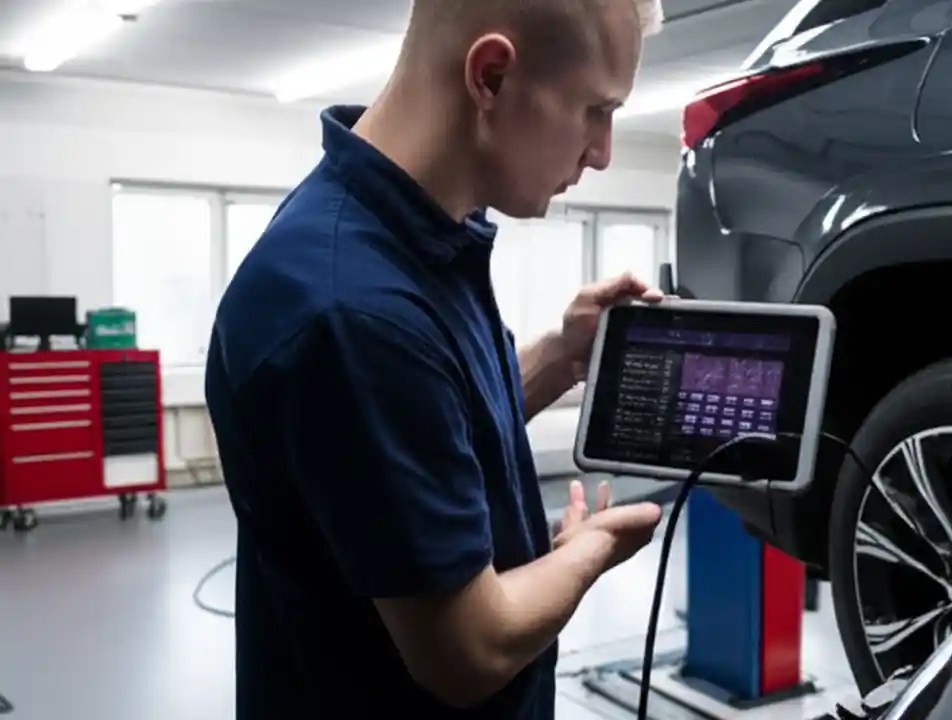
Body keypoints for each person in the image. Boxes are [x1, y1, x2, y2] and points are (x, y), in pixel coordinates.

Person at [203, 1, 667, 718]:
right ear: (491, 76)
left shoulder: (412, 234)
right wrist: (589, 549)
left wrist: (562, 355)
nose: (602, 151)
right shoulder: (352, 308)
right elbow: (469, 651)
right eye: (595, 110)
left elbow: (424, 419)